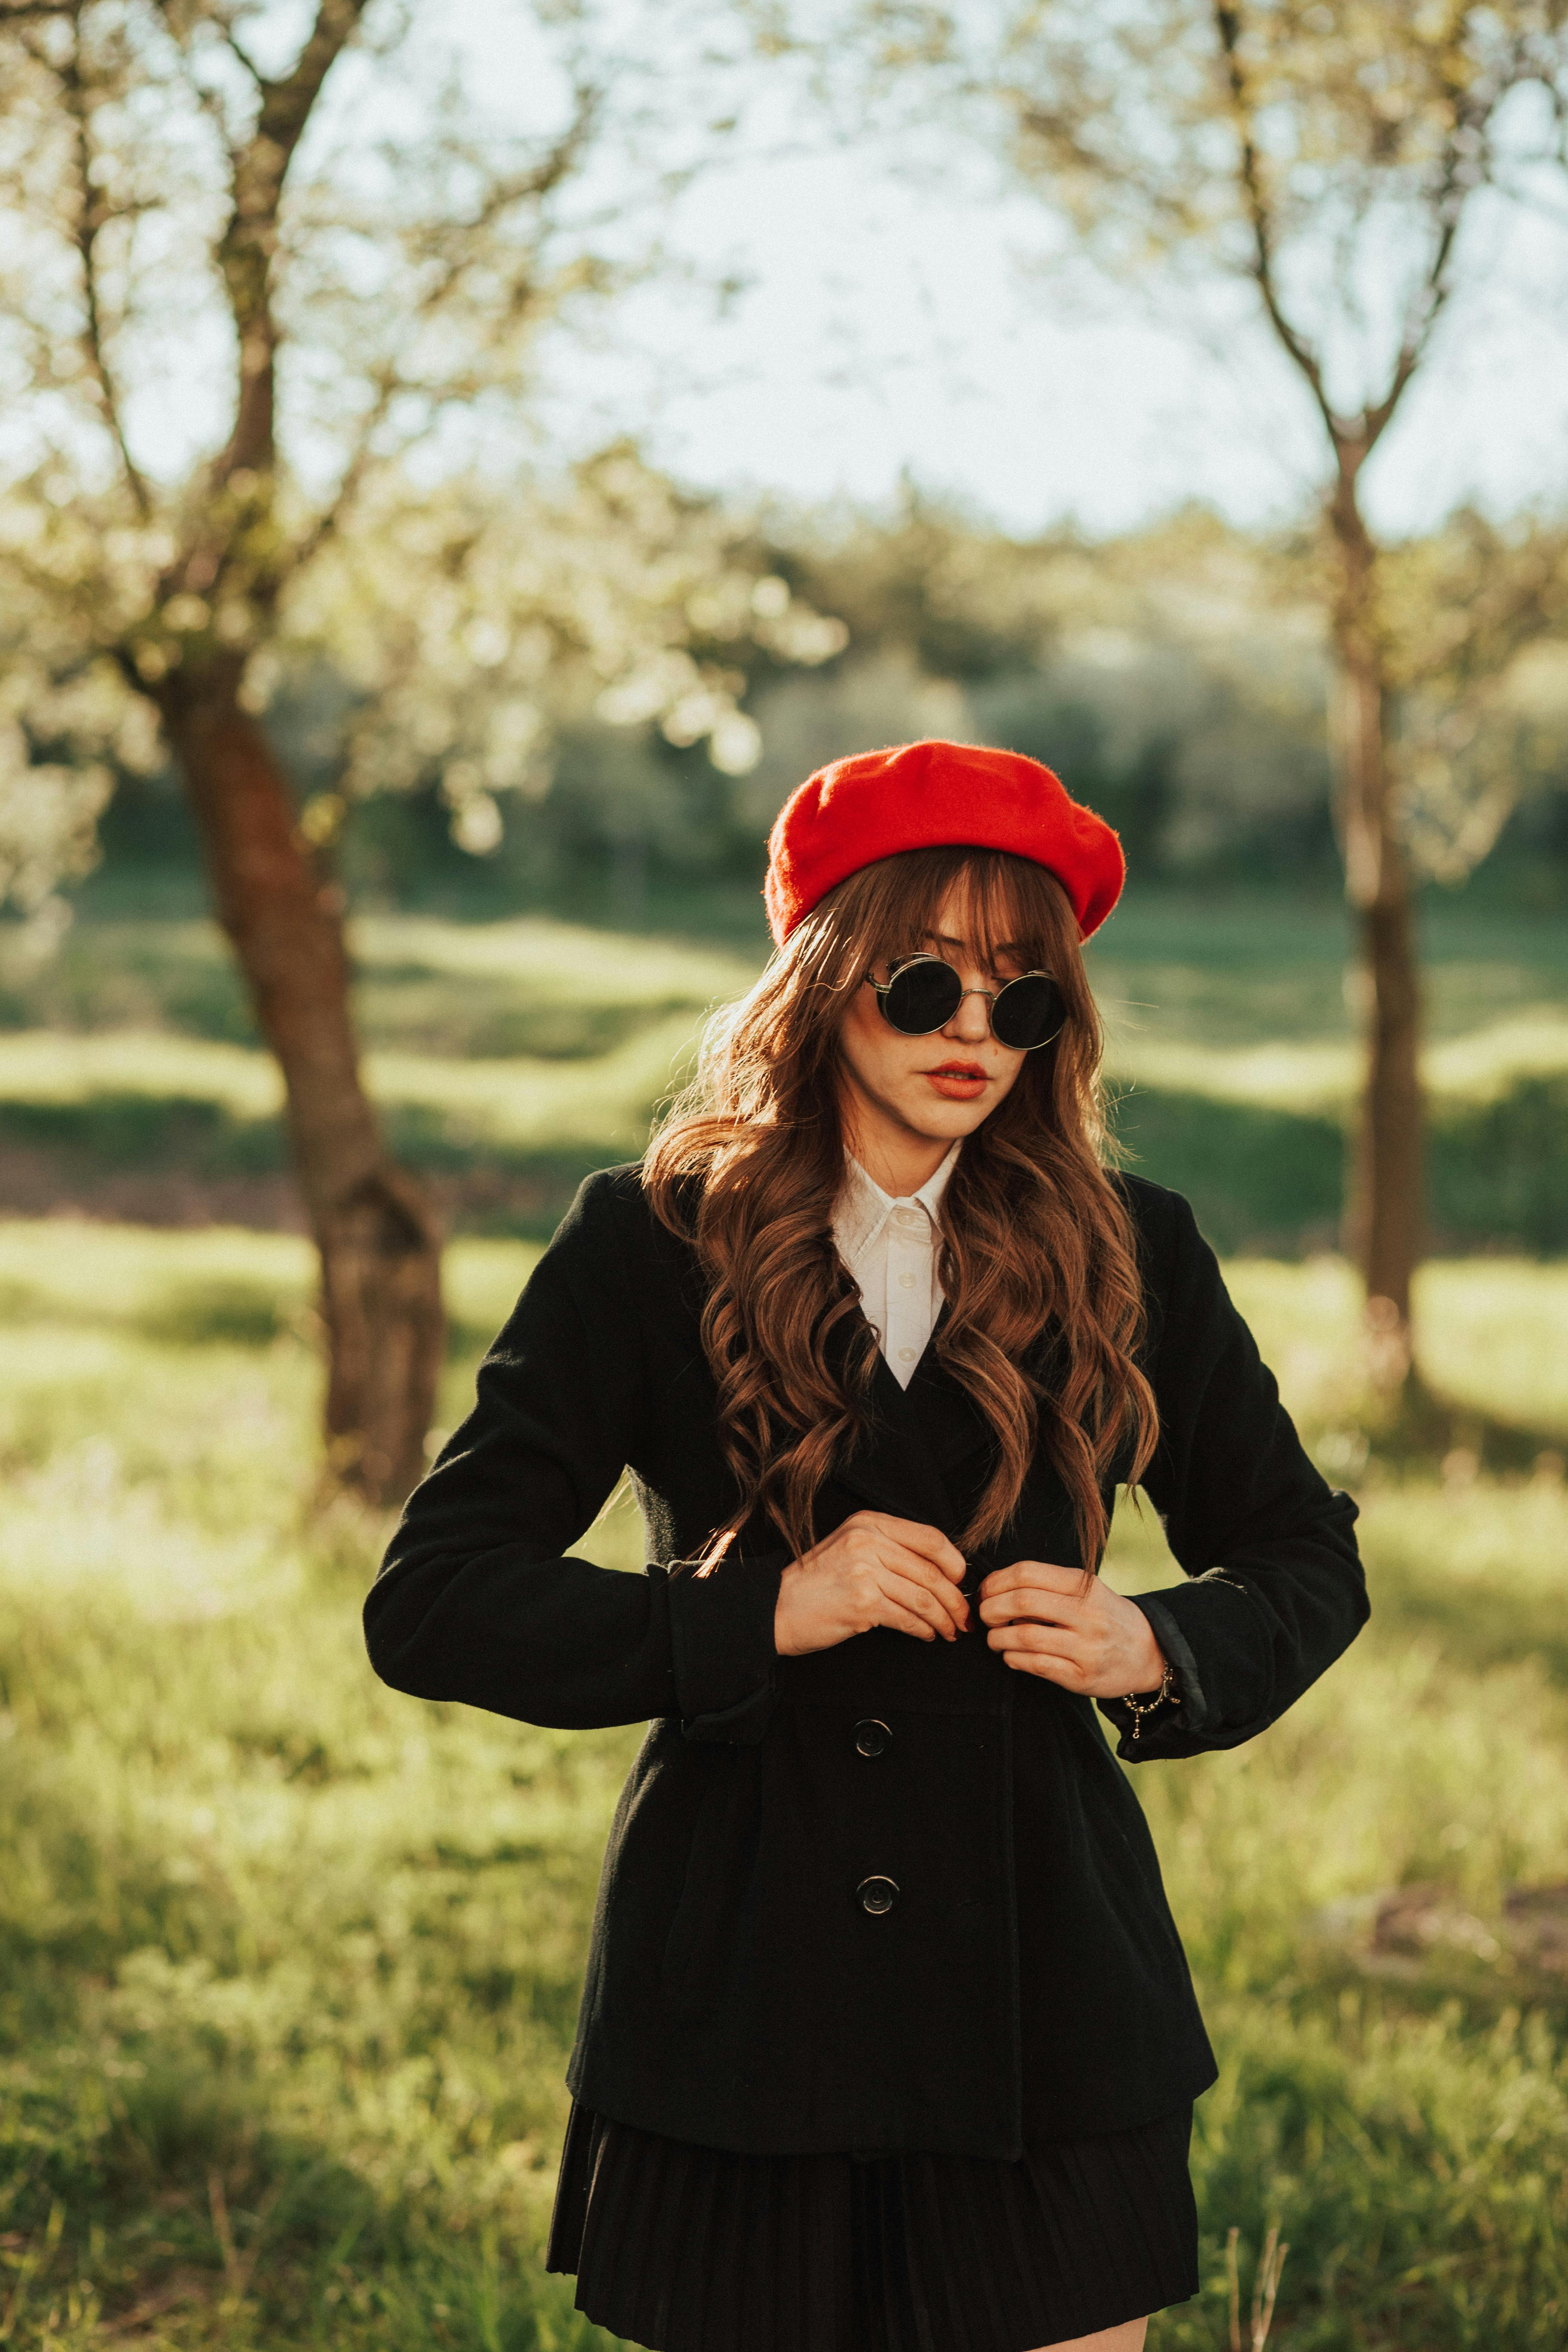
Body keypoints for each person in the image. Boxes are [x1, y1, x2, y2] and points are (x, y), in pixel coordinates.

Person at [364, 739, 1368, 2352]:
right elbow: (433, 1601)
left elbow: (1303, 1557)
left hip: (1044, 1993)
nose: (976, 1031)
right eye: (926, 984)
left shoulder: (1135, 1246)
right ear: (824, 983)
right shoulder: (646, 1240)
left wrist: (1161, 1647)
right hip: (741, 1991)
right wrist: (752, 1615)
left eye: (1020, 995)